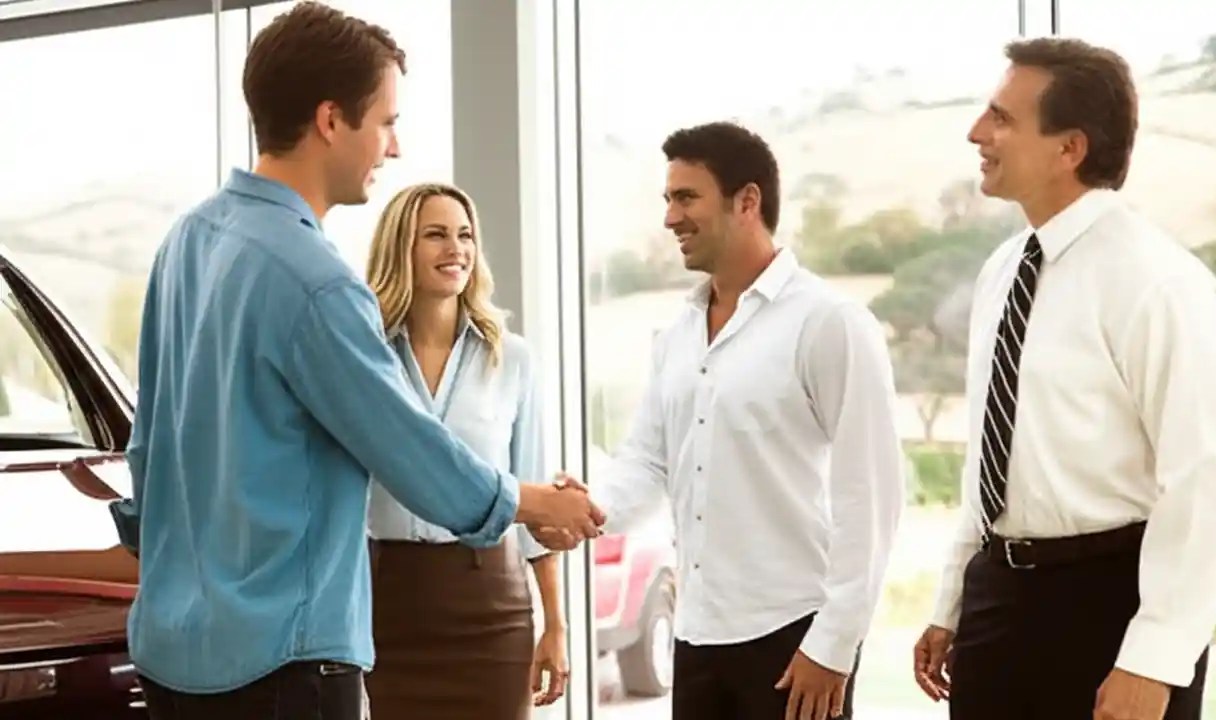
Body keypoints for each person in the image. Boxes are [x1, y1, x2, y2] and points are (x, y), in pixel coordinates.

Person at [120, 4, 602, 719]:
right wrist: (539, 503)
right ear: (329, 120)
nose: (394, 147)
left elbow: (147, 451)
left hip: (172, 656)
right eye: (386, 121)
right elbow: (413, 453)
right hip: (283, 664)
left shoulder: (185, 243)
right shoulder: (317, 281)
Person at [911, 38, 1216, 720]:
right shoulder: (1002, 270)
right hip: (998, 605)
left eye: (1002, 118)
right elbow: (990, 451)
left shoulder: (1161, 283)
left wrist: (1151, 662)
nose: (977, 132)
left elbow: (1201, 482)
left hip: (1114, 608)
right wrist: (953, 602)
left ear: (1071, 148)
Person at [591, 121, 905, 720]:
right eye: (667, 200)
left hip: (794, 640)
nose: (670, 218)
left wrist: (835, 644)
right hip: (697, 636)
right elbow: (647, 459)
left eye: (686, 198)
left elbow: (872, 492)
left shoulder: (828, 322)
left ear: (747, 201)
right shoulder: (679, 334)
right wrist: (583, 511)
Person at [360, 182, 567, 718]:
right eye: (435, 235)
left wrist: (556, 626)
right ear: (400, 248)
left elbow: (532, 499)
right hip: (386, 603)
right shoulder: (363, 359)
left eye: (465, 235)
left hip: (489, 607)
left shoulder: (512, 359)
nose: (456, 249)